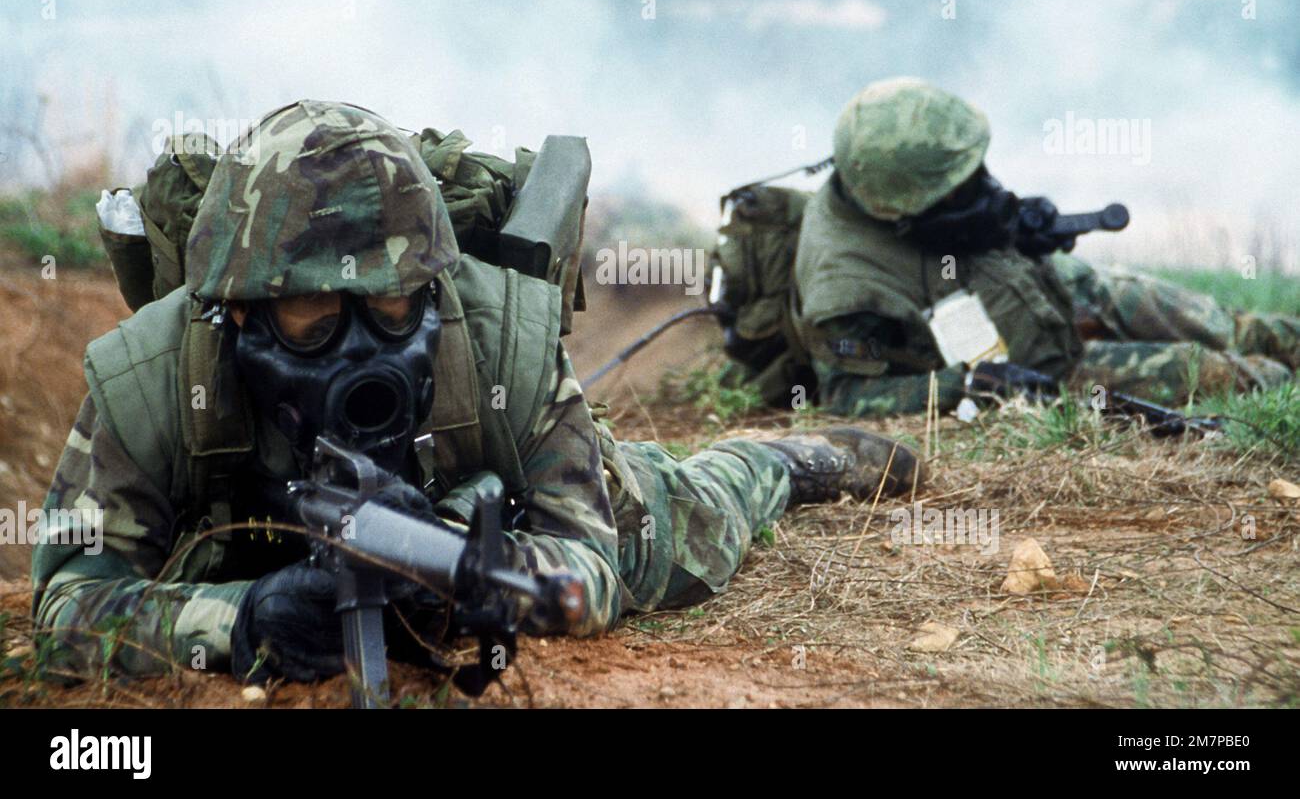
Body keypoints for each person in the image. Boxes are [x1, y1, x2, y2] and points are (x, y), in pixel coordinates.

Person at [31, 99, 923, 683]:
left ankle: (786, 459)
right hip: (253, 540)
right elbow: (69, 605)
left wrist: (455, 568)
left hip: (482, 501)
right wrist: (243, 615)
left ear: (430, 291)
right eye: (308, 310)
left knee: (681, 515)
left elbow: (589, 566)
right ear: (234, 313)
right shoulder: (150, 378)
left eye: (385, 304)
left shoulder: (499, 341)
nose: (354, 344)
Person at [792, 77, 1300, 418]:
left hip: (1052, 284)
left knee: (1219, 324)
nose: (977, 184)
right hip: (1046, 367)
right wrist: (973, 386)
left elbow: (951, 214)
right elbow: (846, 394)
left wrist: (1013, 223)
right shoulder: (844, 284)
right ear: (902, 201)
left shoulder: (898, 183)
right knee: (1236, 375)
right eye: (960, 185)